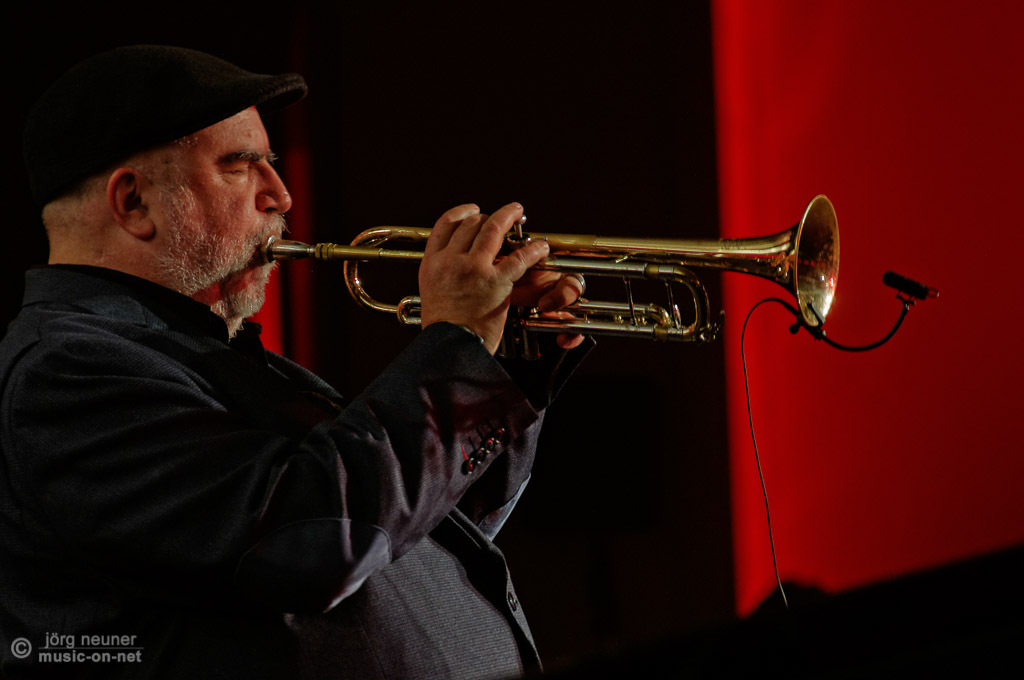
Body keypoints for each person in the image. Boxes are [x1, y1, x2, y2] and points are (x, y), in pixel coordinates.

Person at [0, 45, 590, 679]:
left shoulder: (225, 360)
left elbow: (424, 526)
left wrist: (504, 362)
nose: (280, 196)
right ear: (134, 201)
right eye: (242, 166)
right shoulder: (67, 372)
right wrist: (454, 348)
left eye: (272, 165)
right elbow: (310, 542)